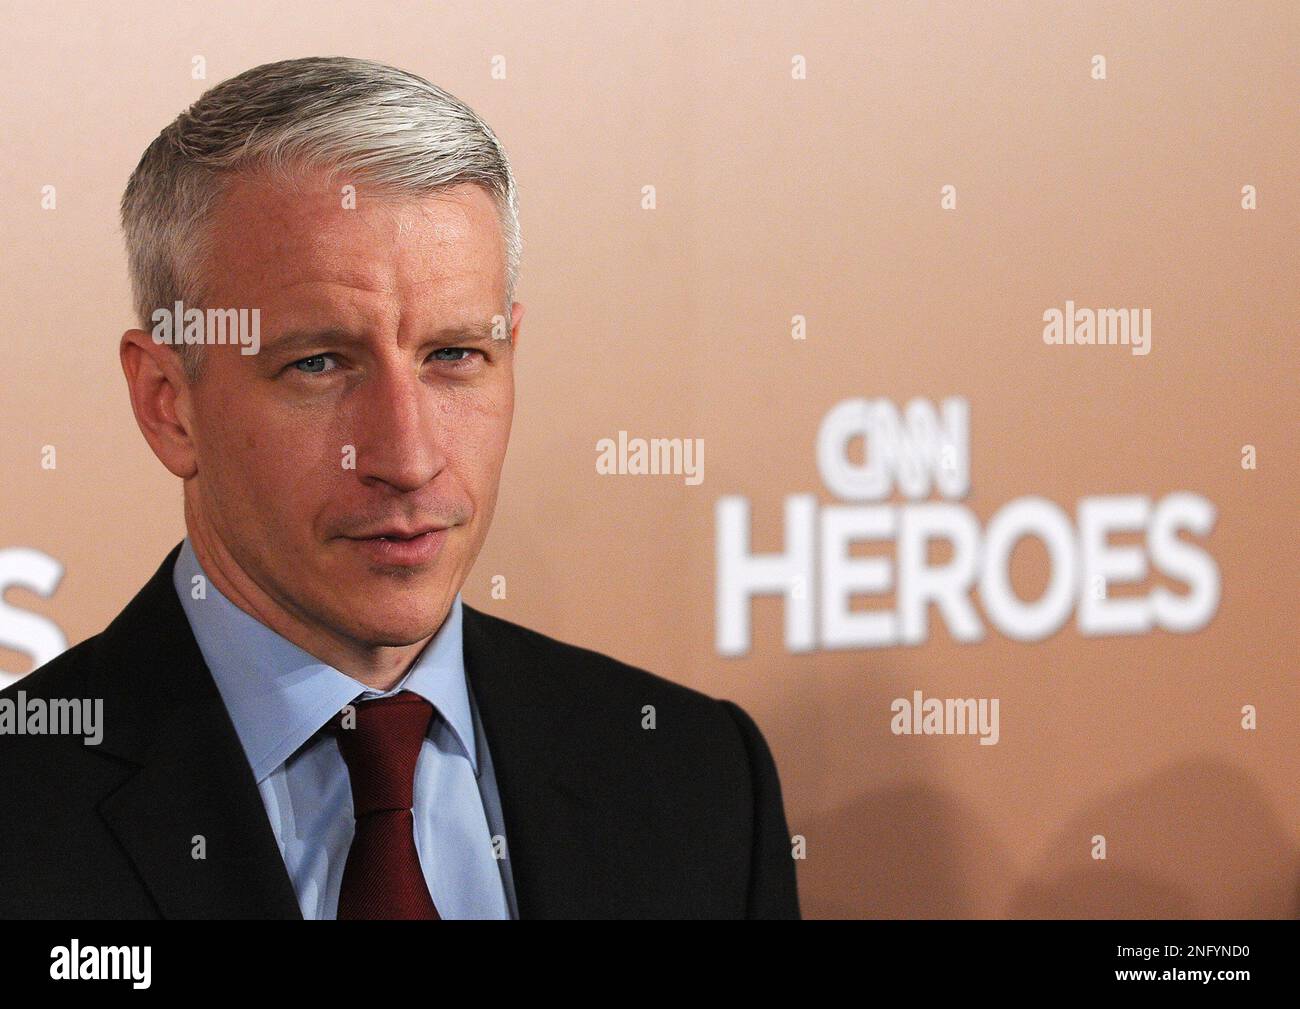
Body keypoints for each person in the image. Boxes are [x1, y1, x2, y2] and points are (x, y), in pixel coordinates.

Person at [0, 56, 799, 920]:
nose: (407, 457)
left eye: (454, 355)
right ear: (169, 404)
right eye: (317, 364)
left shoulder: (697, 775)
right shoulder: (25, 806)